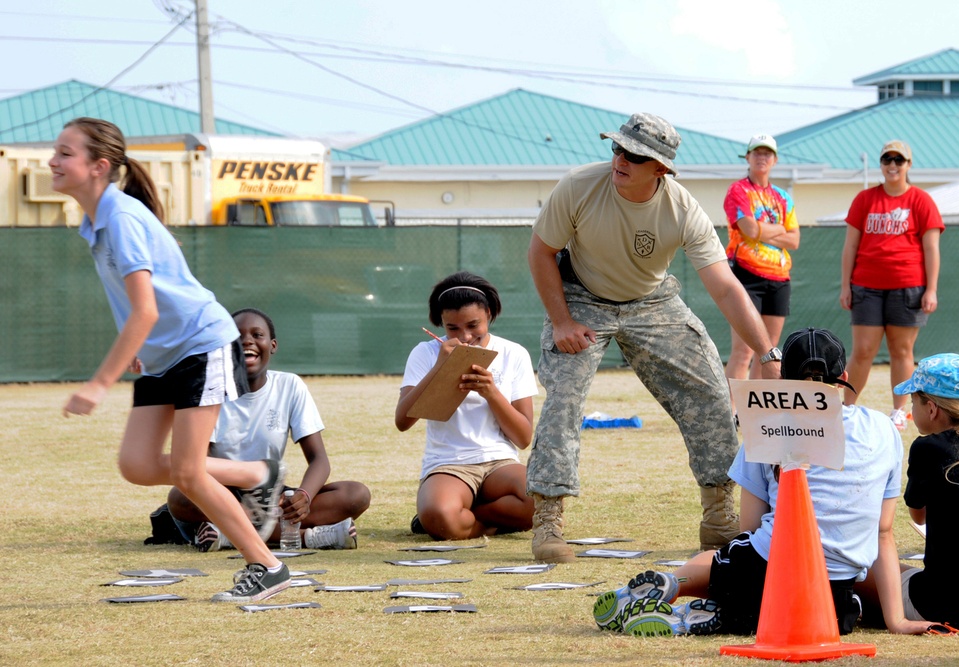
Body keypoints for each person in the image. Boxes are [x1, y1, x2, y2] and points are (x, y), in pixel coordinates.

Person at [526, 112, 782, 563]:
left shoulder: (683, 209)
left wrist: (767, 351)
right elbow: (541, 252)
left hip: (652, 301)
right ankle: (548, 520)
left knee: (710, 392)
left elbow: (724, 286)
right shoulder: (578, 186)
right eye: (618, 149)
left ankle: (719, 515)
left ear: (661, 169)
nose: (621, 159)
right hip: (581, 297)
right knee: (563, 398)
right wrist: (562, 322)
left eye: (636, 155)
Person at [54, 117, 289, 603]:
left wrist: (100, 384)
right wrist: (142, 347)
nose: (52, 161)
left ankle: (266, 566)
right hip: (166, 355)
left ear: (99, 167)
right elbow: (143, 297)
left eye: (65, 153)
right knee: (137, 466)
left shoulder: (119, 217)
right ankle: (253, 474)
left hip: (202, 346)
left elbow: (146, 308)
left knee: (187, 472)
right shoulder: (99, 219)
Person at [592, 328, 944, 637]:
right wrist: (896, 620)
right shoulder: (884, 429)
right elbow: (883, 531)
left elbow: (749, 527)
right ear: (845, 376)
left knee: (724, 560)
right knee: (838, 609)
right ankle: (704, 614)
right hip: (832, 591)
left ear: (785, 379)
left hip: (767, 567)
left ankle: (674, 587)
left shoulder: (767, 427)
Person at [166, 308, 371, 551]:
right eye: (237, 336)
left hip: (272, 495)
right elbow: (199, 464)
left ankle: (227, 535)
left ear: (272, 345)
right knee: (179, 498)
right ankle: (308, 537)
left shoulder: (290, 385)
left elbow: (319, 460)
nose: (247, 341)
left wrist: (303, 497)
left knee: (355, 494)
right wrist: (244, 495)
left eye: (257, 334)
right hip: (224, 493)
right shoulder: (208, 390)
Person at [395, 272, 537, 540]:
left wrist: (491, 392)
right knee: (440, 516)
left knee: (541, 500)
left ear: (490, 314)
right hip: (448, 464)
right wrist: (440, 368)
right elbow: (402, 422)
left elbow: (523, 437)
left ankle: (471, 515)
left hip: (500, 463)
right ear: (441, 324)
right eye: (453, 328)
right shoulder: (425, 353)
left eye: (474, 325)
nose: (466, 336)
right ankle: (470, 518)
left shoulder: (513, 353)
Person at [884, 353, 959, 630]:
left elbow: (918, 516)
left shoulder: (927, 448)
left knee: (864, 570)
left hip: (946, 605)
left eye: (914, 401)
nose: (912, 408)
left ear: (932, 409)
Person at [839, 139, 944, 431]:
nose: (893, 165)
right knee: (862, 351)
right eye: (887, 159)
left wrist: (931, 289)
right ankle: (846, 408)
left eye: (899, 160)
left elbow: (931, 249)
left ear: (908, 165)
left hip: (908, 286)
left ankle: (900, 411)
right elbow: (850, 246)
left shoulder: (921, 201)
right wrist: (846, 286)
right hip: (866, 286)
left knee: (901, 352)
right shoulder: (864, 199)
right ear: (881, 164)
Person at [723, 134, 799, 384]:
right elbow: (749, 229)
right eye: (756, 152)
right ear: (747, 157)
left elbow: (795, 239)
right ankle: (731, 411)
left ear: (775, 160)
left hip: (779, 278)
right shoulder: (738, 190)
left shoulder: (783, 197)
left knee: (768, 352)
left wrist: (762, 229)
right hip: (745, 274)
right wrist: (779, 230)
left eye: (767, 153)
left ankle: (756, 411)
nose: (762, 158)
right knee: (744, 350)